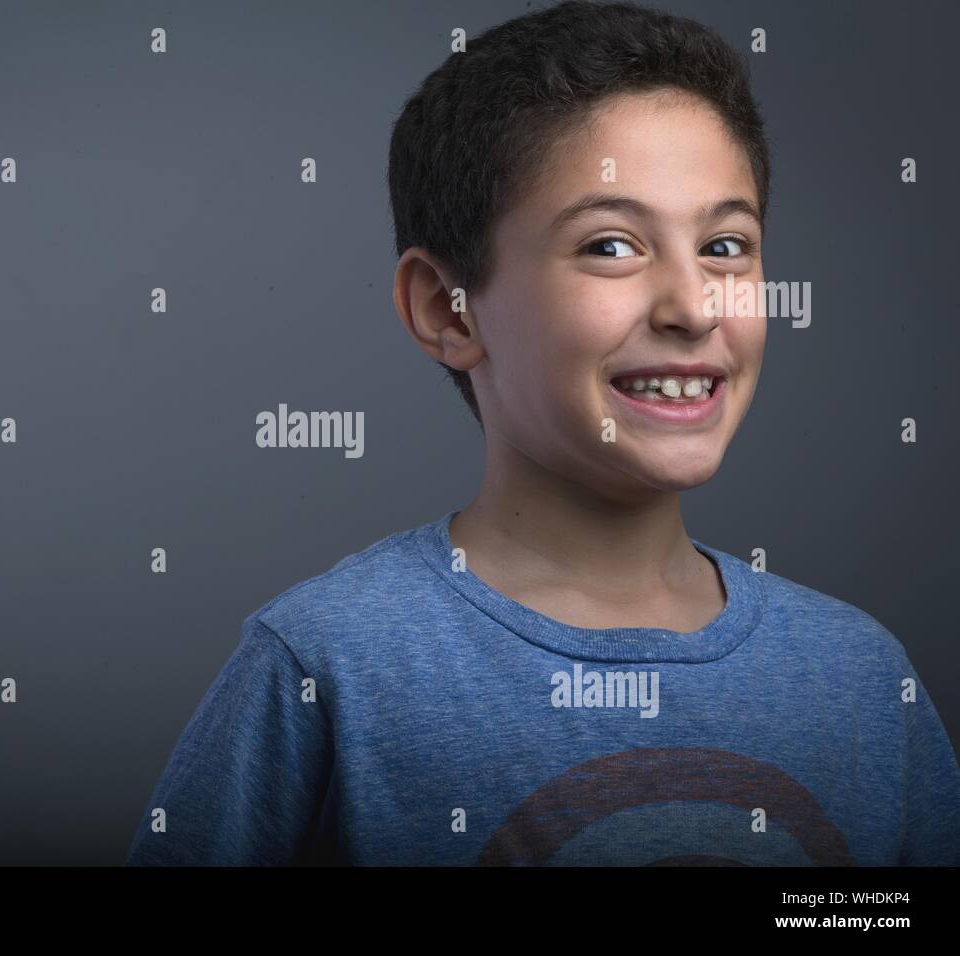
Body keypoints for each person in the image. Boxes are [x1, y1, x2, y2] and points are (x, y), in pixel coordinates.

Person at [126, 0, 960, 865]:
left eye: (724, 246)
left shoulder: (861, 679)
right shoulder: (327, 666)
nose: (692, 307)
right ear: (446, 310)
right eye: (609, 246)